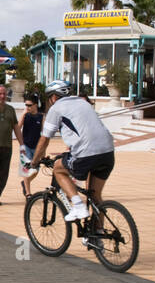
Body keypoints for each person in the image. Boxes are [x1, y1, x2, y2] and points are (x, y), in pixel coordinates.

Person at [26, 80, 115, 224]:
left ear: (54, 97)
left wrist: (34, 162)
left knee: (58, 169)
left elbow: (44, 140)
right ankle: (97, 234)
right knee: (95, 195)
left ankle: (78, 206)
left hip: (86, 153)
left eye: (49, 98)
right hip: (108, 152)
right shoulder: (83, 103)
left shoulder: (56, 108)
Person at [19, 94, 43, 197]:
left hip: (37, 147)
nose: (27, 107)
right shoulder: (26, 115)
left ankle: (24, 183)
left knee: (36, 171)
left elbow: (44, 134)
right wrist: (23, 115)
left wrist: (43, 150)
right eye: (26, 105)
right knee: (26, 169)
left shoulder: (41, 117)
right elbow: (18, 127)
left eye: (29, 105)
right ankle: (28, 193)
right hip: (26, 146)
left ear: (35, 105)